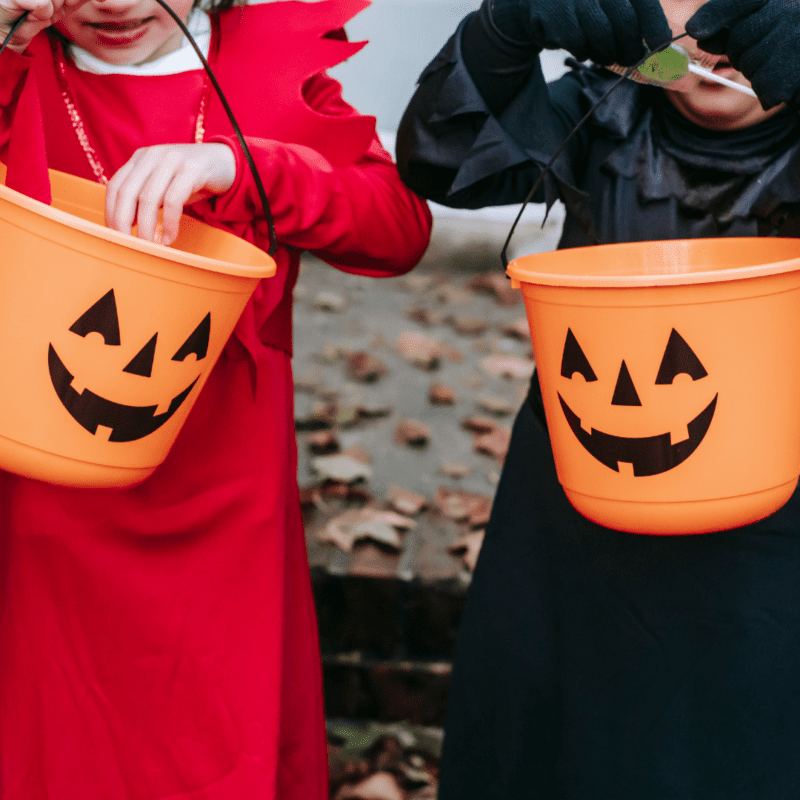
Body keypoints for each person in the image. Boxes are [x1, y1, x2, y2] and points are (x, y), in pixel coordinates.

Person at [0, 0, 431, 795]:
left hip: (224, 486)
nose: (114, 3)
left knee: (214, 733)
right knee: (55, 734)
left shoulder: (268, 68)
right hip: (44, 492)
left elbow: (397, 227)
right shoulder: (19, 62)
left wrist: (248, 169)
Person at [396, 0, 800, 798]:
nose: (717, 30)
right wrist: (503, 30)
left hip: (771, 559)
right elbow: (442, 158)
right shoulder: (598, 113)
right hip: (580, 518)